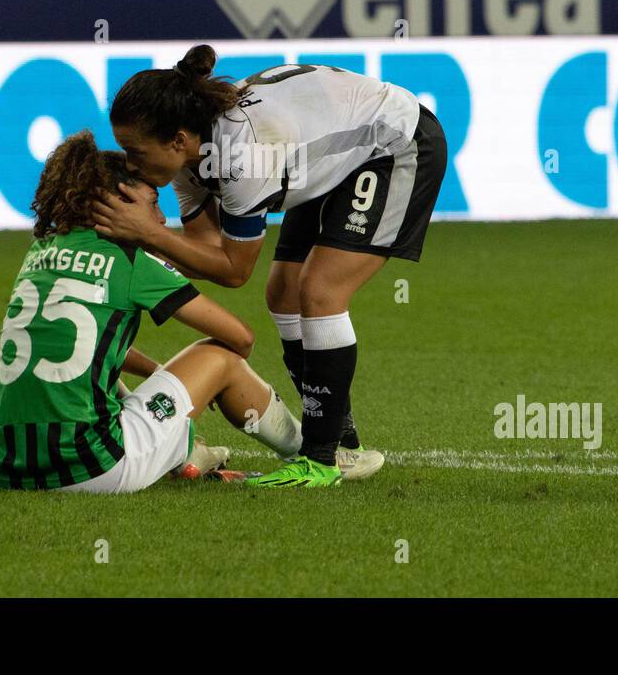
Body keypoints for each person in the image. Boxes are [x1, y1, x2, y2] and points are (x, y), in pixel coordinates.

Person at [93, 45, 448, 488]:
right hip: (321, 156)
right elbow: (203, 248)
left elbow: (233, 270)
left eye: (134, 151)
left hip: (392, 143)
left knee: (320, 291)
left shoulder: (245, 153)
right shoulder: (188, 162)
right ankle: (341, 442)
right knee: (282, 292)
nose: (130, 163)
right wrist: (131, 253)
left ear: (177, 140)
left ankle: (320, 461)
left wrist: (147, 236)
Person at [0, 131, 302, 494]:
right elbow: (240, 338)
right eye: (152, 204)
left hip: (2, 465)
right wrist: (199, 384)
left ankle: (184, 451)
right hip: (89, 468)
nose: (161, 220)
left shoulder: (41, 253)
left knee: (98, 372)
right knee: (220, 357)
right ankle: (309, 453)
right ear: (121, 204)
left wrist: (157, 374)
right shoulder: (131, 259)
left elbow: (83, 345)